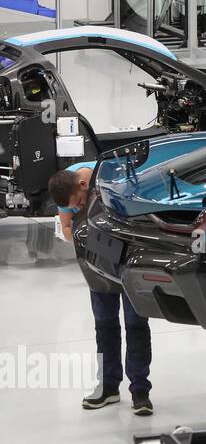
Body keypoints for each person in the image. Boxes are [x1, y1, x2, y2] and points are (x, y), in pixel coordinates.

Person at [47, 168, 153, 416]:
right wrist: (91, 245)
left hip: (129, 258)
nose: (79, 207)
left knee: (136, 323)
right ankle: (108, 387)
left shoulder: (113, 174)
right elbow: (66, 227)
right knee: (104, 325)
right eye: (75, 206)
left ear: (84, 184)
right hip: (98, 262)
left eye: (80, 201)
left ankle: (140, 390)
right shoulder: (66, 187)